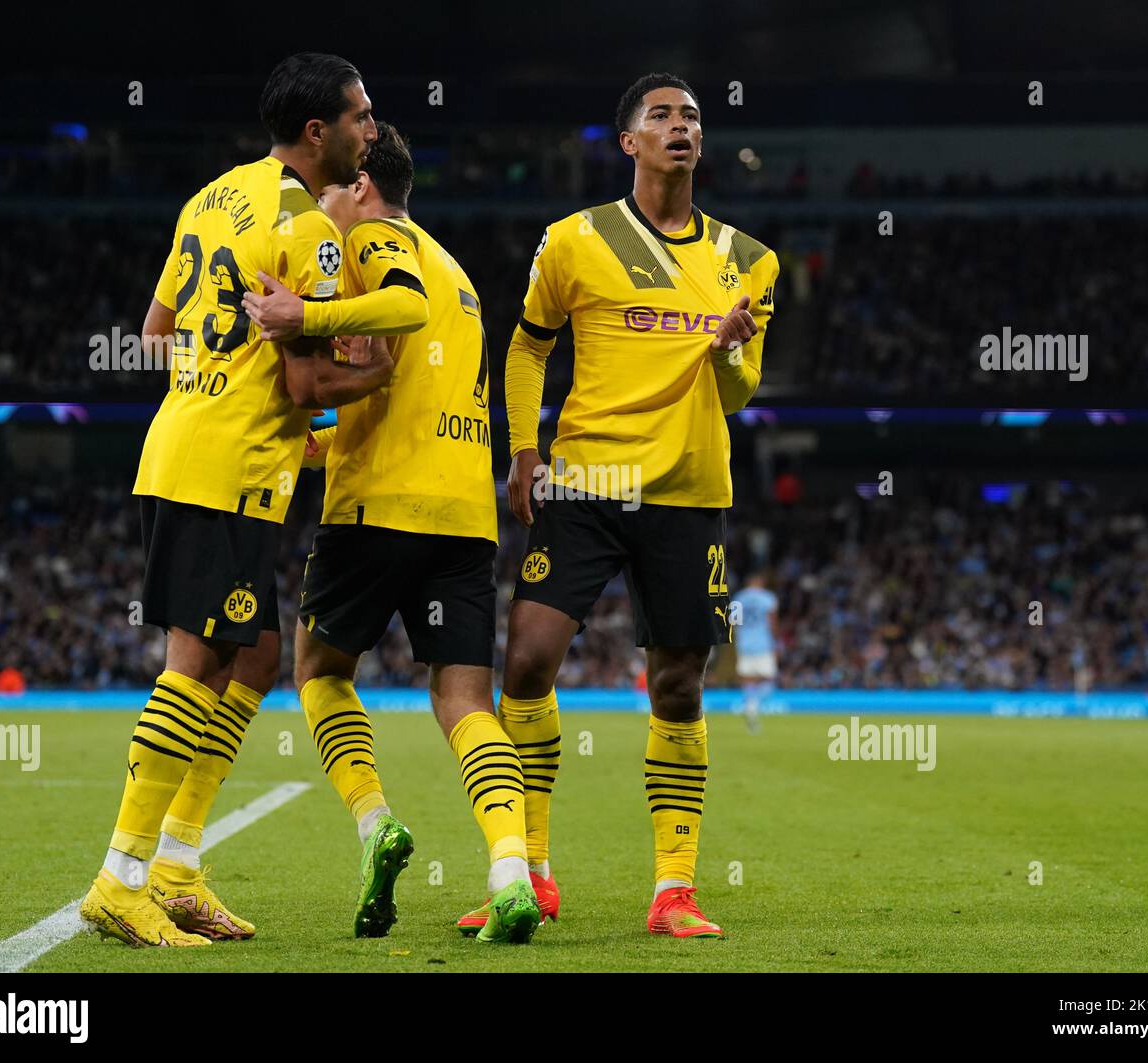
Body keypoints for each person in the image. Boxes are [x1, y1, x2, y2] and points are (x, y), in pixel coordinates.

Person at [80, 53, 382, 947]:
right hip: (230, 468)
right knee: (199, 660)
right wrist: (377, 371)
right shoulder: (314, 233)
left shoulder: (211, 198)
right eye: (361, 116)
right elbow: (304, 382)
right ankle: (118, 876)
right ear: (318, 132)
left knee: (249, 655)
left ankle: (174, 867)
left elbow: (154, 333)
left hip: (188, 447)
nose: (372, 130)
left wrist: (216, 388)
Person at [493, 73, 779, 939]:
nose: (681, 126)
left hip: (689, 489)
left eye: (692, 116)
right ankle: (533, 872)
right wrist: (522, 449)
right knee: (528, 660)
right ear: (630, 142)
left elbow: (738, 394)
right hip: (585, 480)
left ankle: (674, 890)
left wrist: (728, 350)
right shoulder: (574, 242)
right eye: (662, 116)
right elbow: (527, 346)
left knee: (678, 681)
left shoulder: (747, 260)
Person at [243, 125, 540, 943]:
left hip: (376, 505)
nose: (323, 202)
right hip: (462, 515)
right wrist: (327, 437)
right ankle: (511, 869)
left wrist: (309, 311)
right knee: (464, 700)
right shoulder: (463, 275)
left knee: (320, 669)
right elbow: (404, 384)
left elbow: (393, 319)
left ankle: (377, 821)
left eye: (333, 187)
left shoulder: (374, 241)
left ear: (363, 183)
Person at [731, 572, 779, 733]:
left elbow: (733, 623)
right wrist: (776, 642)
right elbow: (772, 622)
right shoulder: (768, 598)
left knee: (747, 679)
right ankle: (753, 704)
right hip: (763, 643)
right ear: (760, 581)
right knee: (769, 677)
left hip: (744, 643)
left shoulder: (738, 597)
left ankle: (750, 705)